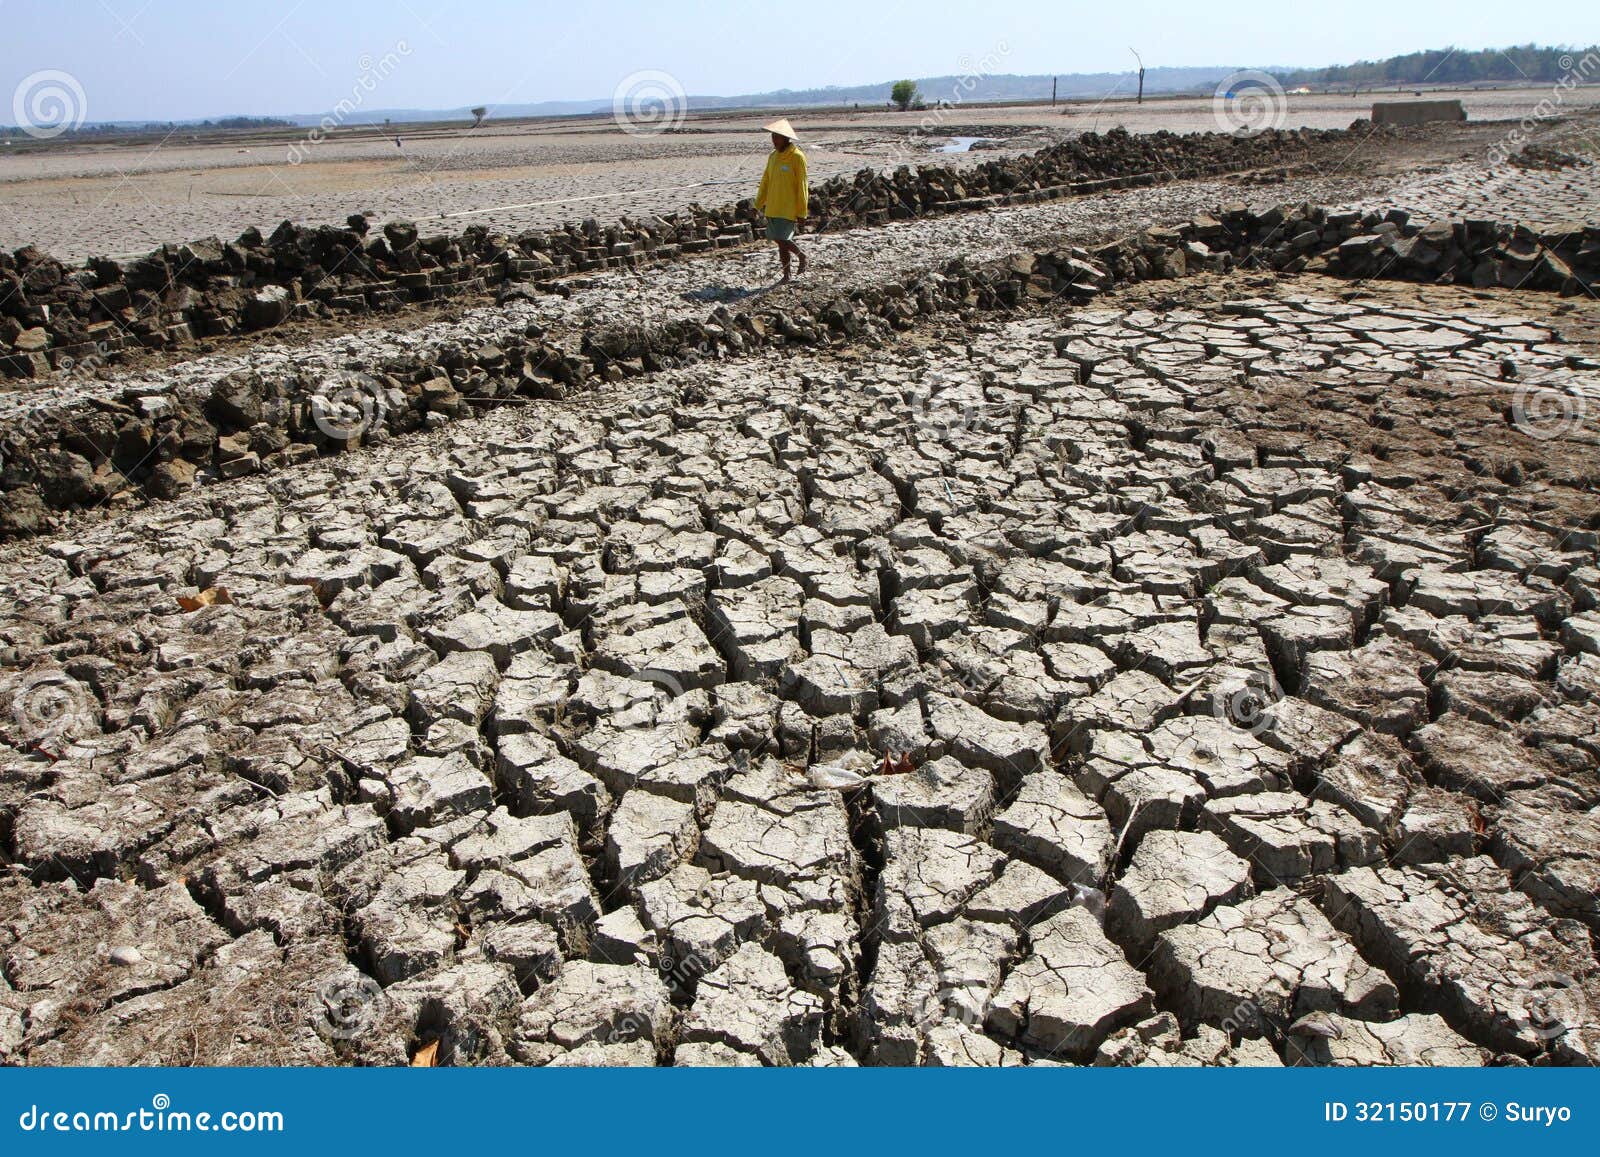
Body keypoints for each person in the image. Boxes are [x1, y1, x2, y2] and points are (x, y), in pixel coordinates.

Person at [755, 118, 807, 282]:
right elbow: (765, 182)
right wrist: (757, 204)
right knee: (780, 242)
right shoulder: (773, 157)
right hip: (773, 206)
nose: (774, 141)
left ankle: (802, 256)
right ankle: (786, 275)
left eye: (777, 137)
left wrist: (802, 212)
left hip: (788, 207)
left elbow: (802, 185)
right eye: (773, 137)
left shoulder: (797, 157)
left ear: (786, 138)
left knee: (782, 238)